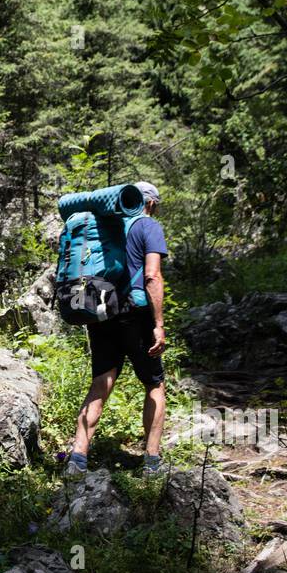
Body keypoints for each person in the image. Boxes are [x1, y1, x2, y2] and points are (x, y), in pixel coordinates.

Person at [65, 181, 168, 477]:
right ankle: (151, 463)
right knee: (154, 385)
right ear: (149, 203)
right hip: (136, 315)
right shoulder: (148, 226)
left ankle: (77, 459)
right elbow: (151, 276)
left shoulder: (106, 226)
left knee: (101, 384)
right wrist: (158, 324)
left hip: (102, 311)